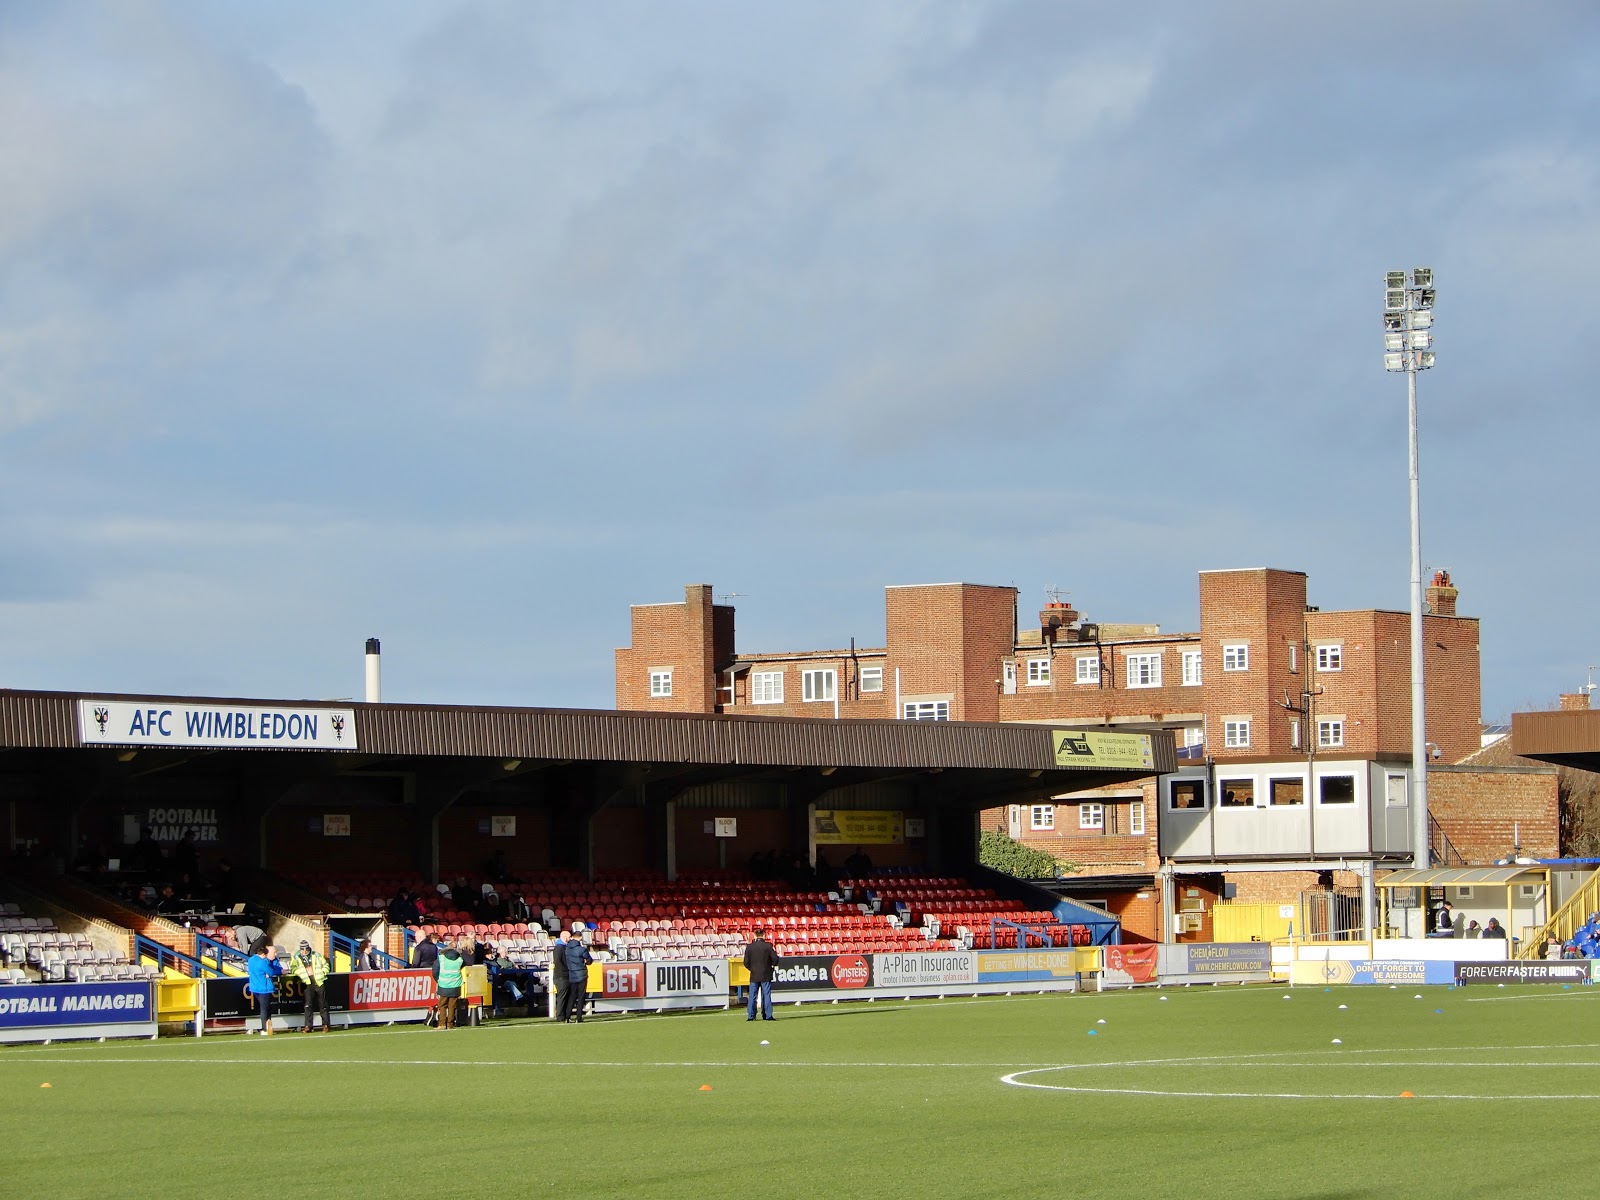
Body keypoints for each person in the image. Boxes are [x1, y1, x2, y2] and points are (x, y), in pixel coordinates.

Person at [288, 939, 332, 1032]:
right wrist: (300, 973)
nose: (304, 952)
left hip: (319, 981)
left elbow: (326, 965)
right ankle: (308, 1026)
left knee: (323, 1005)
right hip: (307, 983)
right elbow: (292, 968)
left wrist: (323, 972)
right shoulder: (296, 957)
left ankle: (326, 1025)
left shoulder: (316, 955)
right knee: (308, 1005)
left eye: (306, 949)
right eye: (302, 950)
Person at [743, 928, 781, 1022]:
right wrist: (771, 966)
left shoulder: (750, 947)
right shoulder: (768, 946)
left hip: (754, 974)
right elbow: (775, 959)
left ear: (755, 936)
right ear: (764, 935)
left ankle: (751, 1016)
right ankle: (767, 1015)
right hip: (766, 974)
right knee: (766, 995)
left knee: (752, 995)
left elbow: (746, 962)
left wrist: (752, 968)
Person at [245, 943, 282, 1035]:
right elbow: (271, 971)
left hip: (255, 987)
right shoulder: (262, 962)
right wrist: (269, 973)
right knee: (265, 1008)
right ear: (263, 954)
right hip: (264, 988)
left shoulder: (251, 960)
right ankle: (264, 1029)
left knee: (264, 1008)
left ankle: (266, 1027)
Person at [432, 937, 467, 1030]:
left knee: (442, 1005)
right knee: (452, 1006)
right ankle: (450, 1024)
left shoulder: (441, 958)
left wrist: (438, 980)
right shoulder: (460, 959)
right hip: (455, 985)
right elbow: (464, 966)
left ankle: (442, 1024)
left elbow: (435, 971)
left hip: (443, 984)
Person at [561, 933, 594, 1022]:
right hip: (581, 974)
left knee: (572, 995)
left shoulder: (567, 949)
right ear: (580, 938)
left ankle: (567, 1016)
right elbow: (590, 961)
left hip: (572, 974)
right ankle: (578, 1017)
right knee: (581, 996)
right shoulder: (582, 949)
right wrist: (585, 962)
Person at [549, 930, 571, 1020]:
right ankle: (560, 1016)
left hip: (564, 976)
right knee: (562, 996)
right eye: (569, 937)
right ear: (565, 937)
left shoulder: (562, 947)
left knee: (566, 996)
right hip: (561, 976)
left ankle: (565, 1015)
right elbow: (558, 962)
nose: (570, 939)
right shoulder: (559, 948)